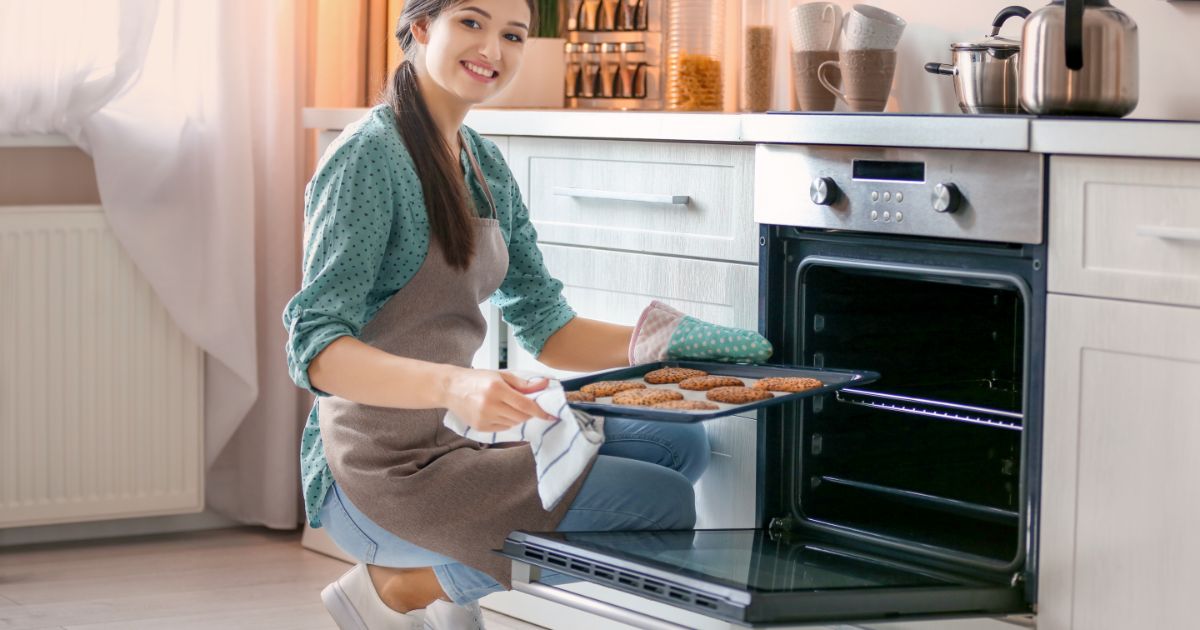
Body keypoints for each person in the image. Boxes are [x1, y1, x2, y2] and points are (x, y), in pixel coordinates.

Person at [282, 0, 772, 627]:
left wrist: (671, 342)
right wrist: (456, 384)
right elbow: (315, 348)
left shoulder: (483, 165)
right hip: (378, 467)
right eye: (471, 22)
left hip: (461, 435)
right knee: (658, 502)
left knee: (680, 443)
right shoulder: (368, 157)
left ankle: (439, 590)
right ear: (422, 26)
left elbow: (548, 326)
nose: (492, 49)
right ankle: (403, 589)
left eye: (512, 35)